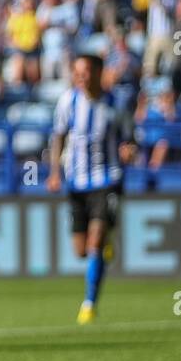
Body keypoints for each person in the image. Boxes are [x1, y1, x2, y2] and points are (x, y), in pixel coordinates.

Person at [47, 54, 136, 324]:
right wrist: (54, 173)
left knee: (95, 242)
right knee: (81, 250)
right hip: (76, 182)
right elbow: (58, 137)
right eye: (77, 72)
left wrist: (129, 150)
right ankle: (104, 244)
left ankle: (89, 304)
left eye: (85, 71)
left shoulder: (115, 103)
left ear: (99, 73)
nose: (81, 77)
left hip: (108, 179)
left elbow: (129, 138)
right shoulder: (68, 101)